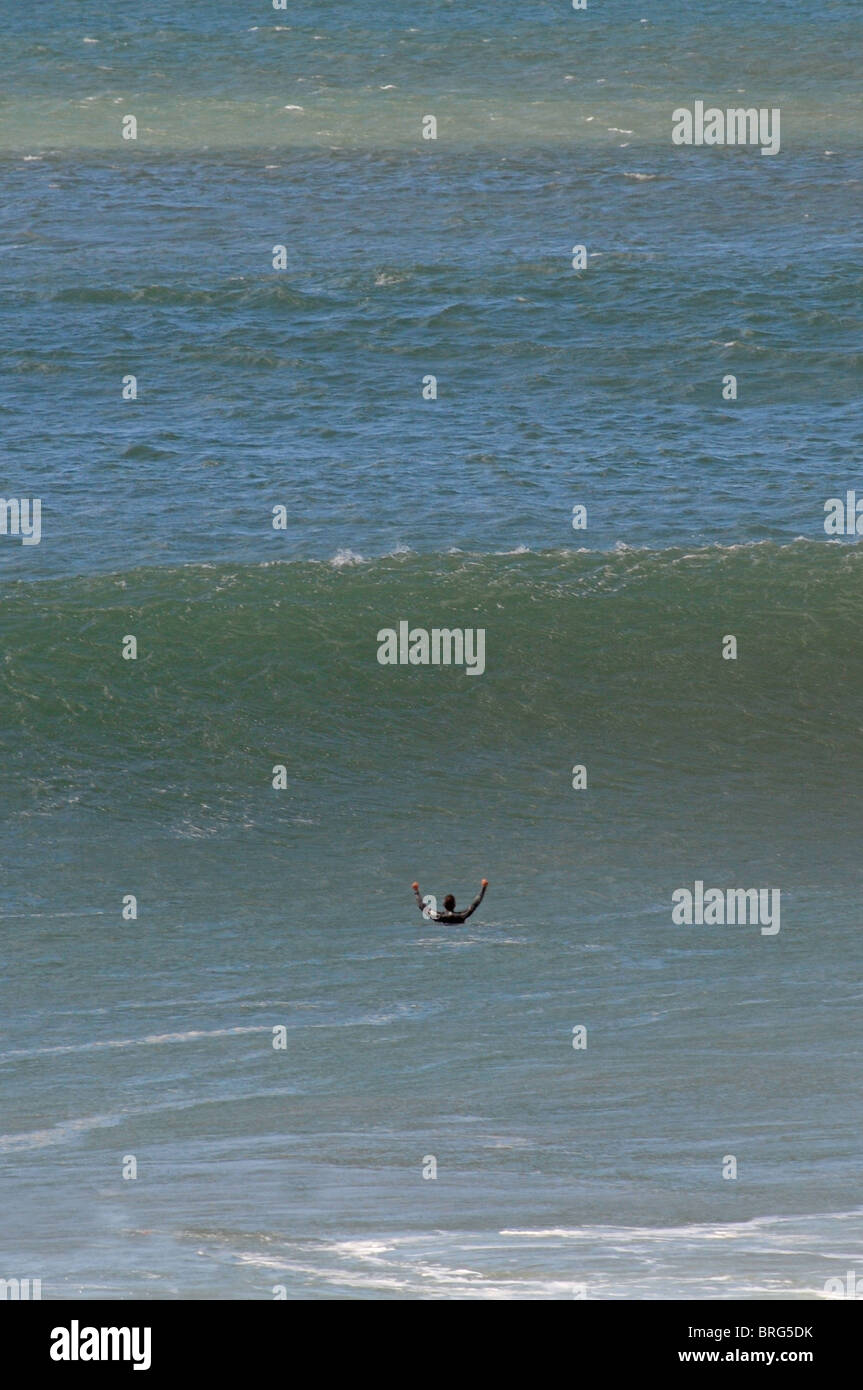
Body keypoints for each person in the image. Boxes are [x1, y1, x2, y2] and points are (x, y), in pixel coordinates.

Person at [412, 878, 488, 924]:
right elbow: (474, 905)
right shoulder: (461, 916)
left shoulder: (438, 917)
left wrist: (416, 891)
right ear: (455, 905)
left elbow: (422, 906)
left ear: (444, 905)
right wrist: (484, 888)